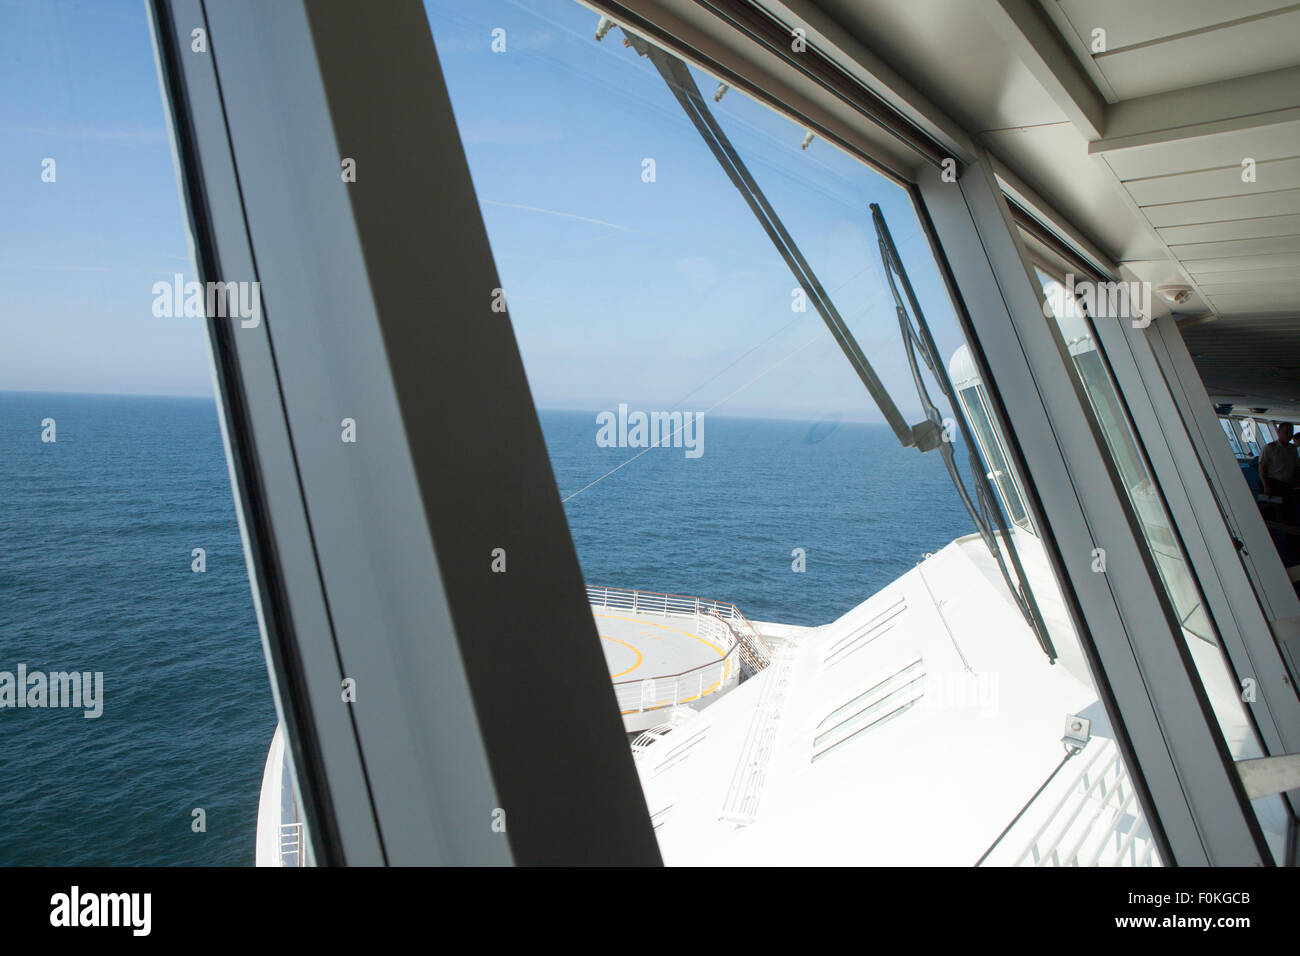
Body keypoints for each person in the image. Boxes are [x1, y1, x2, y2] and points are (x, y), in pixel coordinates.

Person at [1259, 422, 1299, 522]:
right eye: (1286, 432)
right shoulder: (1269, 448)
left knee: (1288, 516)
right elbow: (1262, 468)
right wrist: (1266, 486)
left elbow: (1296, 468)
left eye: (1291, 432)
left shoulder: (1292, 450)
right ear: (1278, 432)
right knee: (1270, 515)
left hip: (1287, 486)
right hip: (1273, 485)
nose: (1289, 435)